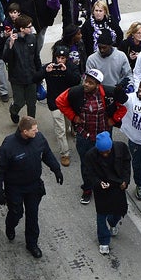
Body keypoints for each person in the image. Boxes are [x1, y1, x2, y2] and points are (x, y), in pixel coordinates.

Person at [0, 116, 65, 259]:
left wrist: (56, 169)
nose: (37, 131)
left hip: (33, 186)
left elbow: (47, 154)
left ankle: (32, 244)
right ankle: (10, 225)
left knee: (33, 216)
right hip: (15, 188)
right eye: (34, 130)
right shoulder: (8, 146)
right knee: (16, 212)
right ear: (24, 131)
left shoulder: (38, 138)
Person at [55, 69, 125, 205]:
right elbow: (59, 101)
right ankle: (87, 188)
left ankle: (104, 186)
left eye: (90, 83)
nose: (86, 84)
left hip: (103, 135)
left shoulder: (109, 94)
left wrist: (114, 119)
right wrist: (73, 117)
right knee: (86, 164)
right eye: (85, 81)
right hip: (84, 135)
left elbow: (124, 106)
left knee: (106, 163)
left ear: (98, 85)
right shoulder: (75, 92)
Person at [82, 131, 130, 256]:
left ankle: (113, 223)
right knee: (101, 214)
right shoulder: (90, 156)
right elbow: (88, 173)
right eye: (102, 152)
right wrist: (98, 183)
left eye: (107, 151)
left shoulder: (121, 148)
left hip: (118, 185)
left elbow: (126, 164)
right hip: (102, 188)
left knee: (119, 210)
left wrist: (125, 180)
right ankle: (104, 240)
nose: (105, 154)